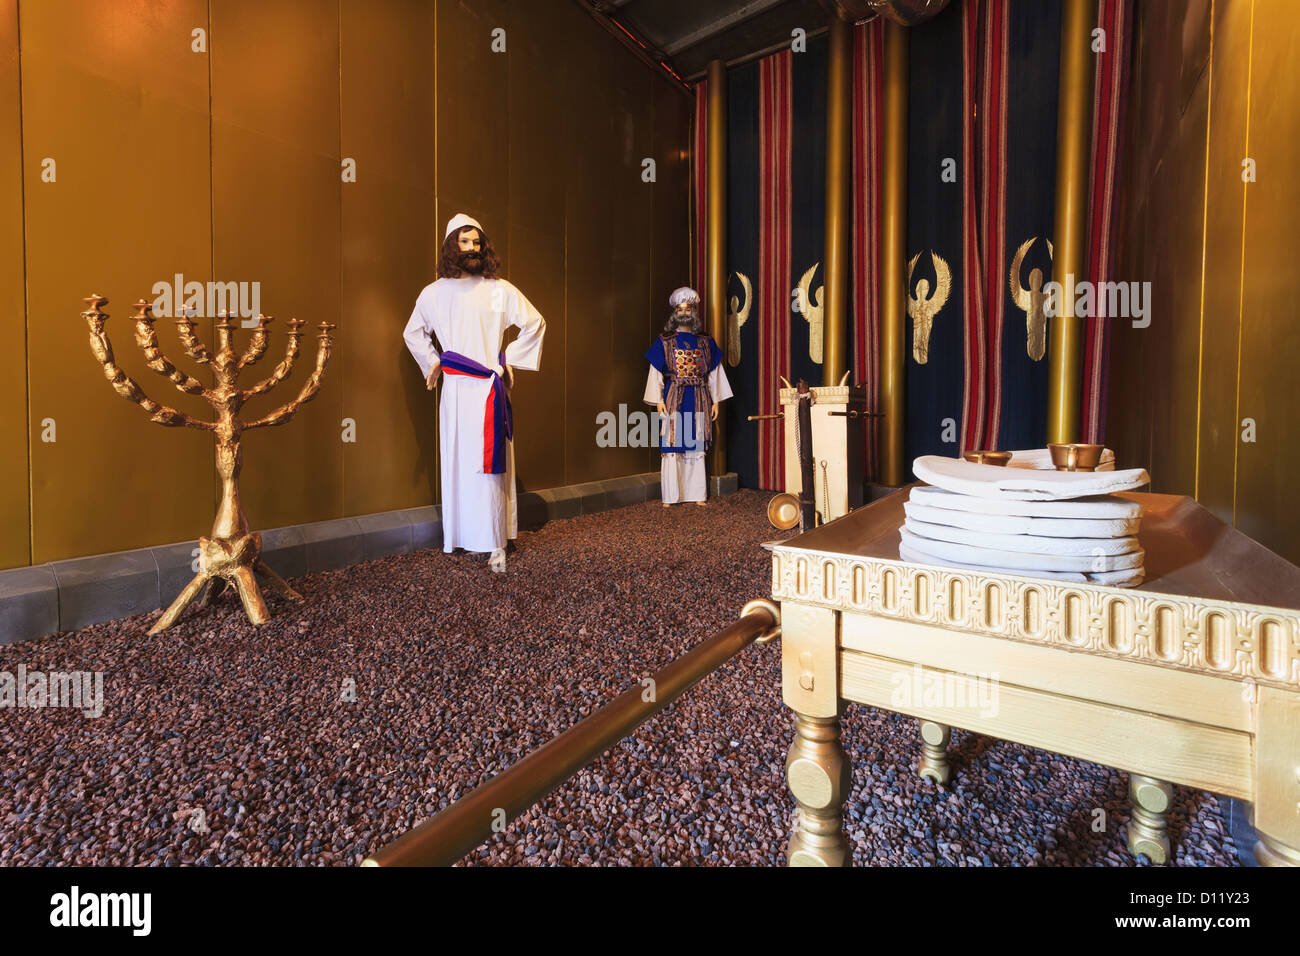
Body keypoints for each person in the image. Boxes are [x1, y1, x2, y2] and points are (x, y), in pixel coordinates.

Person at [403, 214, 546, 572]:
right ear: (452, 246)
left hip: (489, 389)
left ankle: (495, 538)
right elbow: (413, 333)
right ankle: (461, 535)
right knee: (459, 460)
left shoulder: (500, 290)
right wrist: (433, 362)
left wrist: (509, 360)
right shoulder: (433, 293)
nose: (472, 249)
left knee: (489, 466)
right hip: (456, 391)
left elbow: (534, 323)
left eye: (477, 242)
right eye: (464, 242)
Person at [643, 287, 732, 506]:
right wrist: (659, 401)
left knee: (696, 441)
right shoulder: (664, 341)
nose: (685, 312)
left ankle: (696, 494)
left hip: (700, 397)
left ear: (694, 312)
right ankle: (672, 495)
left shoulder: (705, 342)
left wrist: (716, 400)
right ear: (675, 312)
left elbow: (715, 373)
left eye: (689, 308)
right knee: (673, 441)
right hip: (675, 396)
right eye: (682, 309)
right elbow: (655, 373)